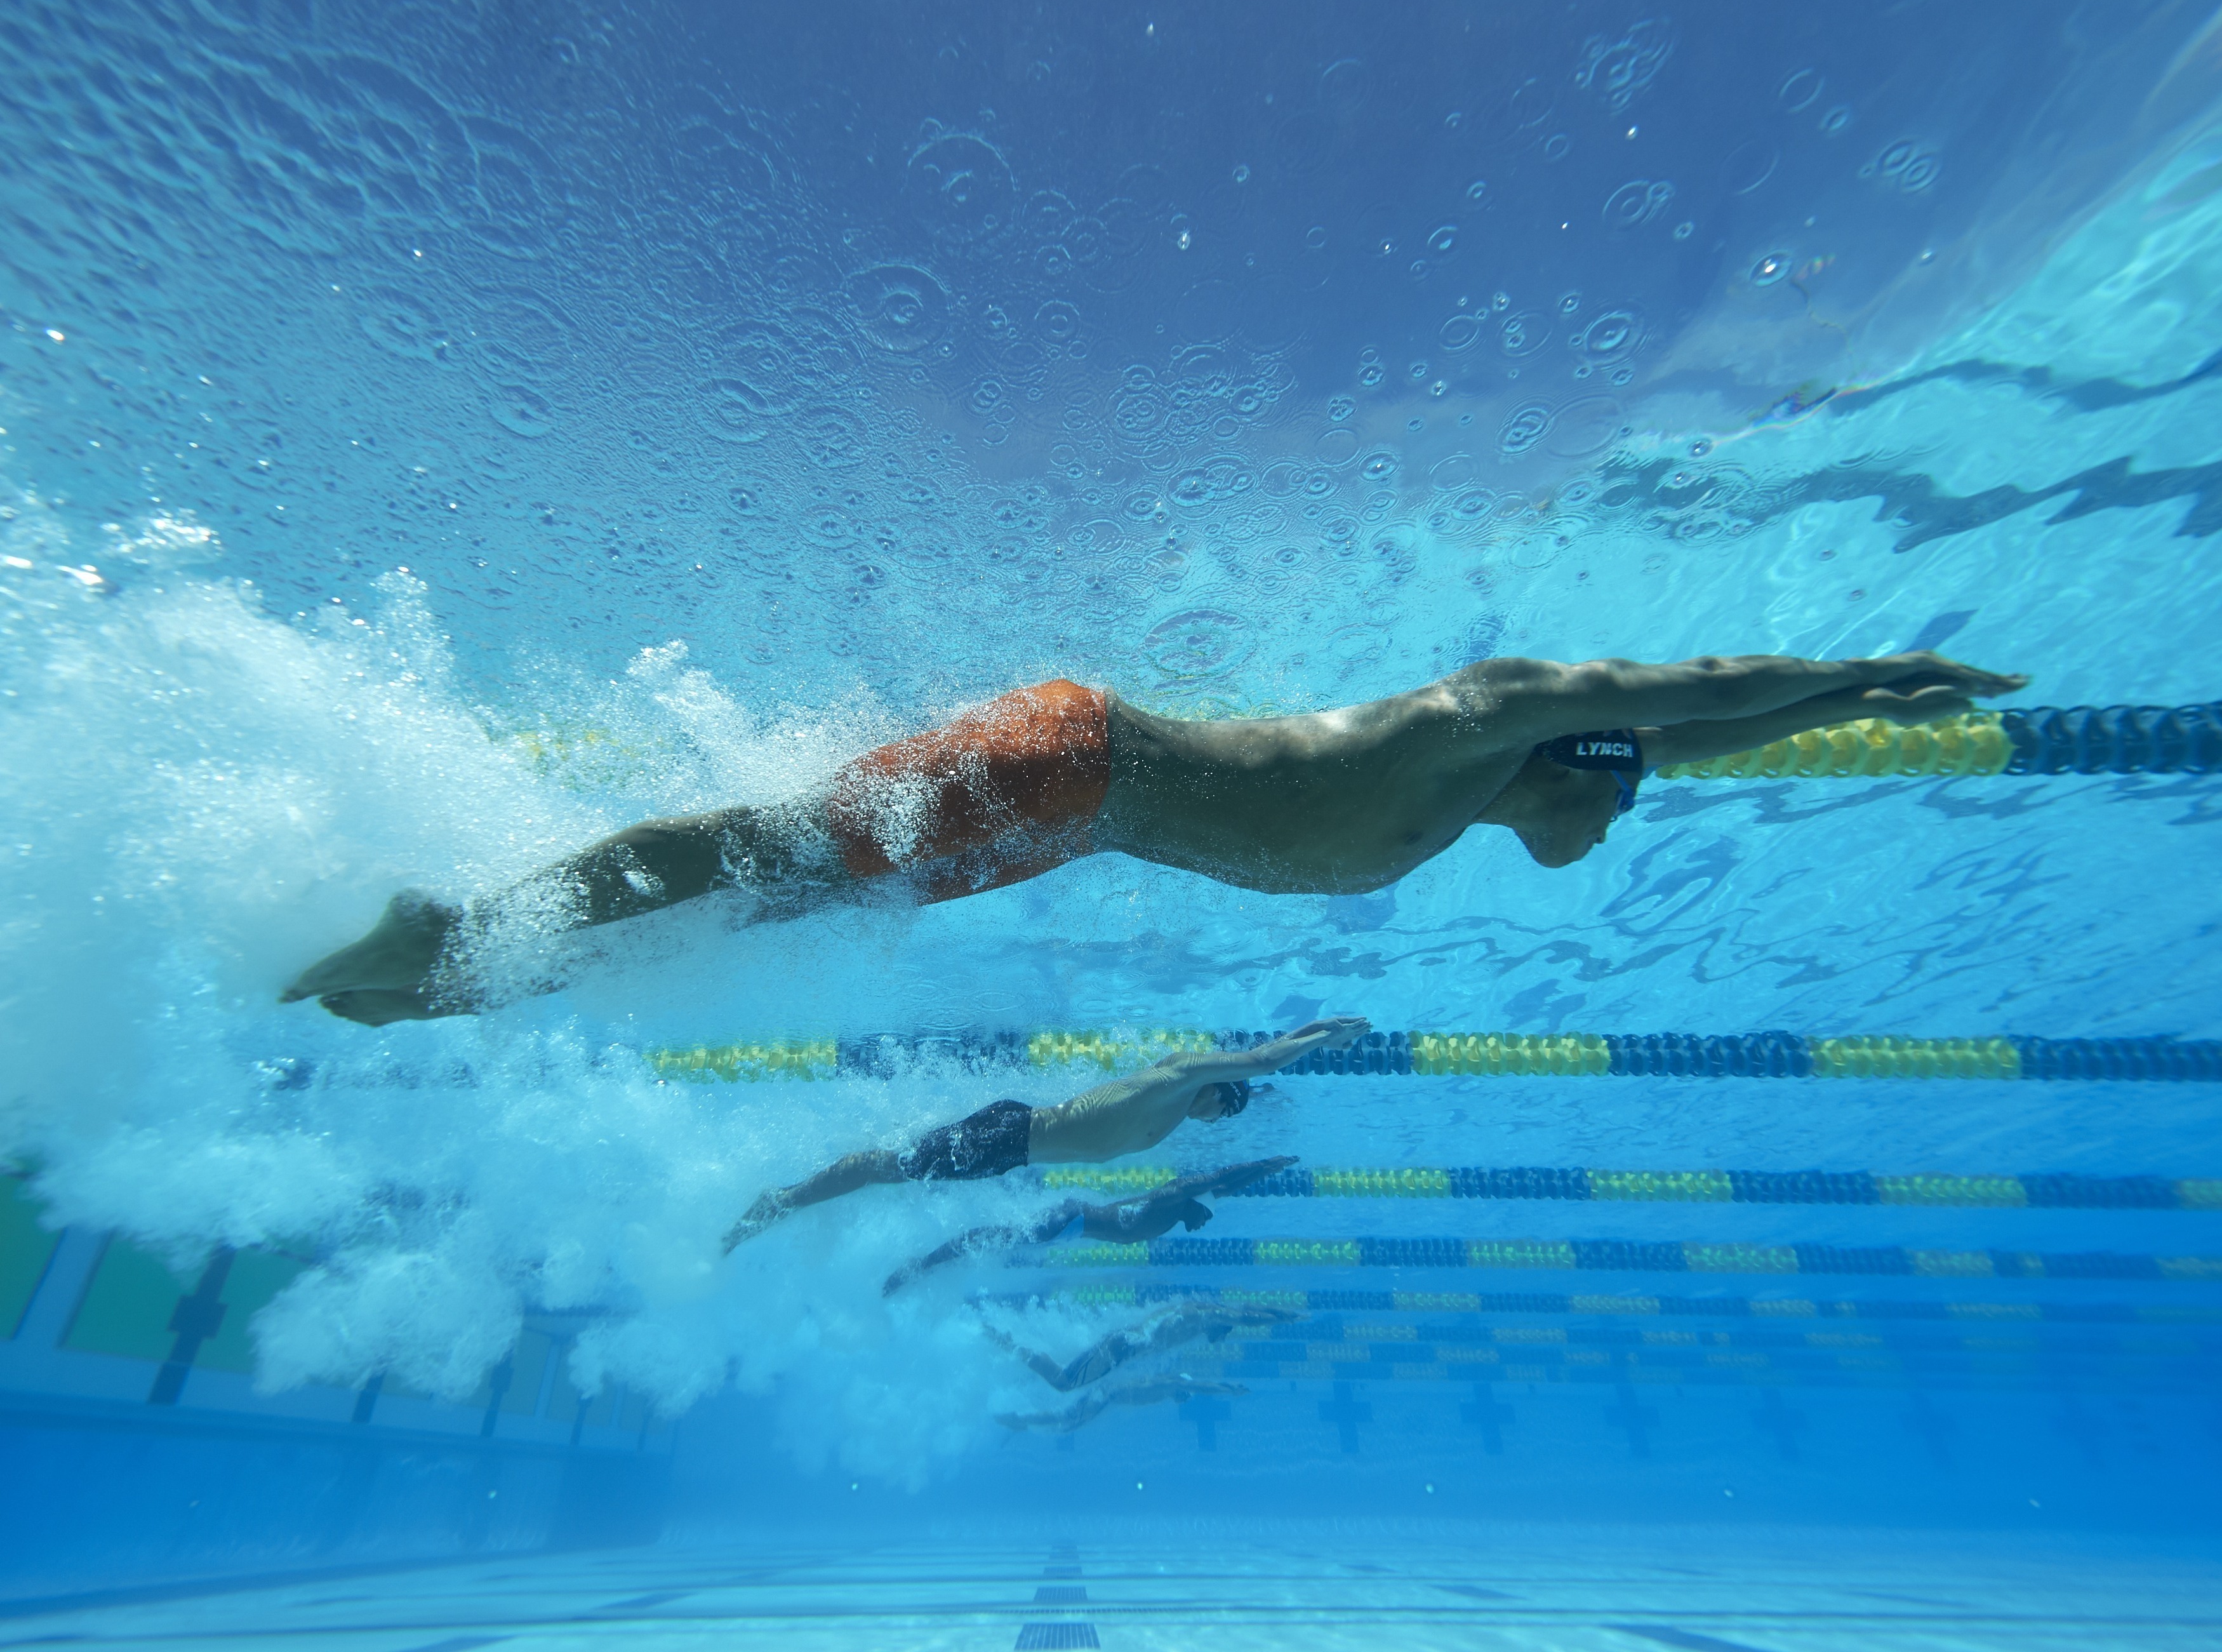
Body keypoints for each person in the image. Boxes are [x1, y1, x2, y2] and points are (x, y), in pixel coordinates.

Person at [281, 649, 2025, 1024]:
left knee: (789, 900)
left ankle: (472, 969)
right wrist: (1864, 679)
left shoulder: (1467, 808)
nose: (1631, 807)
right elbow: (1674, 692)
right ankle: (455, 929)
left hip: (1072, 823)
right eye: (1629, 780)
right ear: (1584, 757)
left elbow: (1663, 733)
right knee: (784, 854)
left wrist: (1822, 723)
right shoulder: (1454, 733)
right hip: (1076, 765)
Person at [721, 1018, 1366, 1251]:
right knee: (891, 1167)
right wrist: (1319, 1036)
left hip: (1009, 1148)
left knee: (898, 1171)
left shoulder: (1176, 1109)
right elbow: (1258, 1060)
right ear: (1217, 1094)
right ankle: (780, 1200)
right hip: (1011, 1134)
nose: (1215, 1124)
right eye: (1223, 1113)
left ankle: (786, 1200)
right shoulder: (1179, 1075)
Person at [881, 1155, 1300, 1295]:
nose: (1206, 1222)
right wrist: (1267, 1165)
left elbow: (1222, 1190)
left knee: (994, 1240)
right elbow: (1219, 1181)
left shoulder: (1178, 1212)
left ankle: (923, 1264)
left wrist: (1260, 1175)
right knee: (988, 1240)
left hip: (1070, 1223)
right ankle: (919, 1266)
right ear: (1193, 1203)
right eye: (1205, 1213)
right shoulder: (1172, 1198)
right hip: (1070, 1221)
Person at [985, 1296, 1303, 1394]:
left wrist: (1273, 1313)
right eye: (1227, 1331)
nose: (1223, 1338)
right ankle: (1007, 1341)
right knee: (1063, 1382)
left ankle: (1010, 1341)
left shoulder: (1202, 1318)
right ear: (1224, 1321)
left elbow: (1244, 1313)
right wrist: (1283, 1318)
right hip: (1121, 1347)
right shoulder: (1204, 1314)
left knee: (1066, 1378)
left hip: (1122, 1347)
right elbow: (1242, 1316)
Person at [997, 1373, 1249, 1436]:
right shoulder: (1172, 1383)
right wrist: (1229, 1390)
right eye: (1185, 1395)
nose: (1182, 1400)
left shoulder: (1165, 1391)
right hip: (1106, 1394)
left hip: (1106, 1397)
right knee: (1067, 1418)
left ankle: (1023, 1420)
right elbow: (1201, 1387)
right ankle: (1019, 1417)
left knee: (1070, 1422)